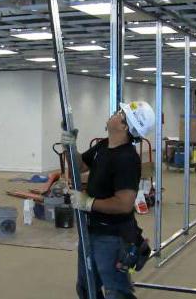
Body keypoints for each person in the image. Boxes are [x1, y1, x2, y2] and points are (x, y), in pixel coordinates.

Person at [61, 101, 155, 299]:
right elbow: (80, 167)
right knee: (87, 287)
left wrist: (88, 203)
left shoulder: (127, 159)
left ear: (124, 126)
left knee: (116, 292)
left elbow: (124, 203)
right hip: (92, 230)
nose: (114, 113)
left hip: (112, 237)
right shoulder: (103, 146)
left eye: (120, 112)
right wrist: (69, 145)